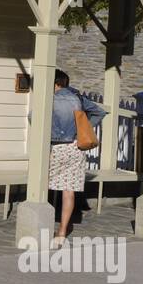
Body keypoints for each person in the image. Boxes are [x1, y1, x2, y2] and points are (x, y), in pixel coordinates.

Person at [49, 69, 105, 247]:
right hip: (75, 147)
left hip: (55, 147)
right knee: (68, 190)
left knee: (42, 185)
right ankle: (62, 231)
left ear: (55, 83)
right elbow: (99, 112)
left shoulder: (49, 98)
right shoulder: (78, 98)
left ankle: (42, 224)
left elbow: (32, 117)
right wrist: (84, 128)